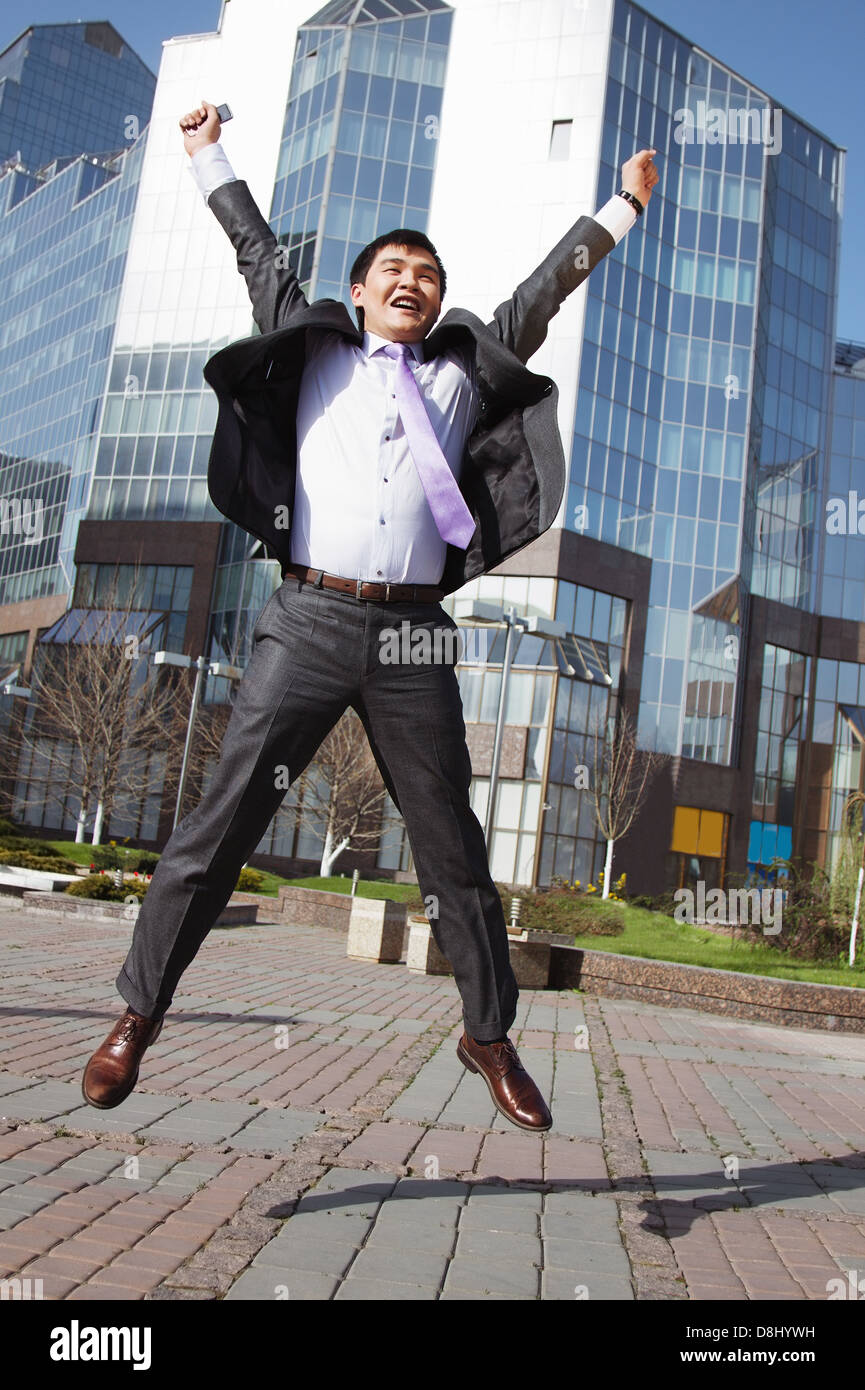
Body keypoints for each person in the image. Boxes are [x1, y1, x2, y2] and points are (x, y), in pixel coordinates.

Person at [83, 99, 659, 1131]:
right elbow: (255, 247)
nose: (410, 281)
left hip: (409, 635)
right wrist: (206, 148)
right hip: (305, 619)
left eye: (427, 275)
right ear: (359, 291)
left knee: (451, 843)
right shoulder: (315, 352)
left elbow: (539, 297)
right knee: (221, 823)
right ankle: (136, 1013)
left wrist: (618, 208)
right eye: (393, 268)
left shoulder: (460, 371)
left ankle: (487, 1032)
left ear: (437, 302)